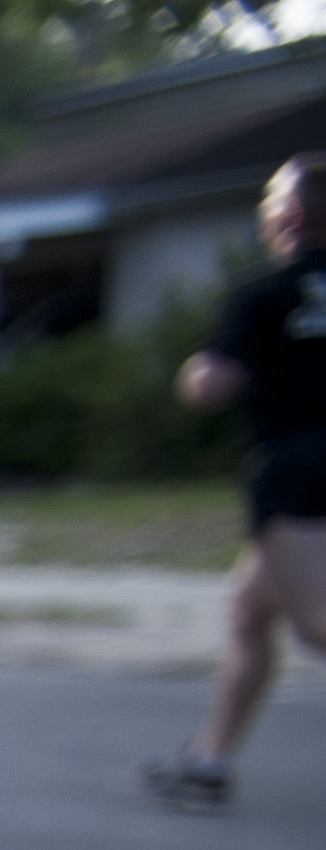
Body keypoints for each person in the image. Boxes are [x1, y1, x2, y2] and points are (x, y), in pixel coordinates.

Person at [142, 153, 326, 811]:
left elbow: (213, 386)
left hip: (296, 472)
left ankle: (212, 761)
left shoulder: (262, 293)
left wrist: (195, 370)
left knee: (315, 625)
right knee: (249, 613)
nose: (264, 211)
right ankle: (211, 761)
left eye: (271, 200)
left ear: (291, 216)